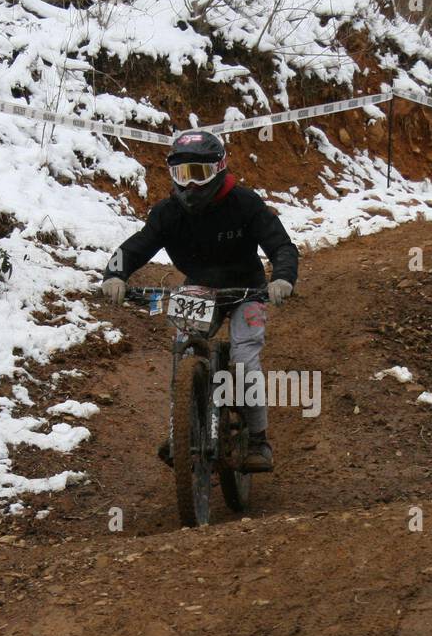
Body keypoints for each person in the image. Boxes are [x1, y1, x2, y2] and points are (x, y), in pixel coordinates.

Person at [99, 129, 298, 472]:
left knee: (244, 359)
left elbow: (281, 245)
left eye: (199, 174)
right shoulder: (168, 213)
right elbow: (138, 245)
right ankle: (185, 428)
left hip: (247, 290)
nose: (190, 185)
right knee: (184, 353)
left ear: (219, 169)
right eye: (181, 174)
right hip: (199, 290)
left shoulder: (244, 203)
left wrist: (281, 279)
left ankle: (258, 440)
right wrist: (115, 275)